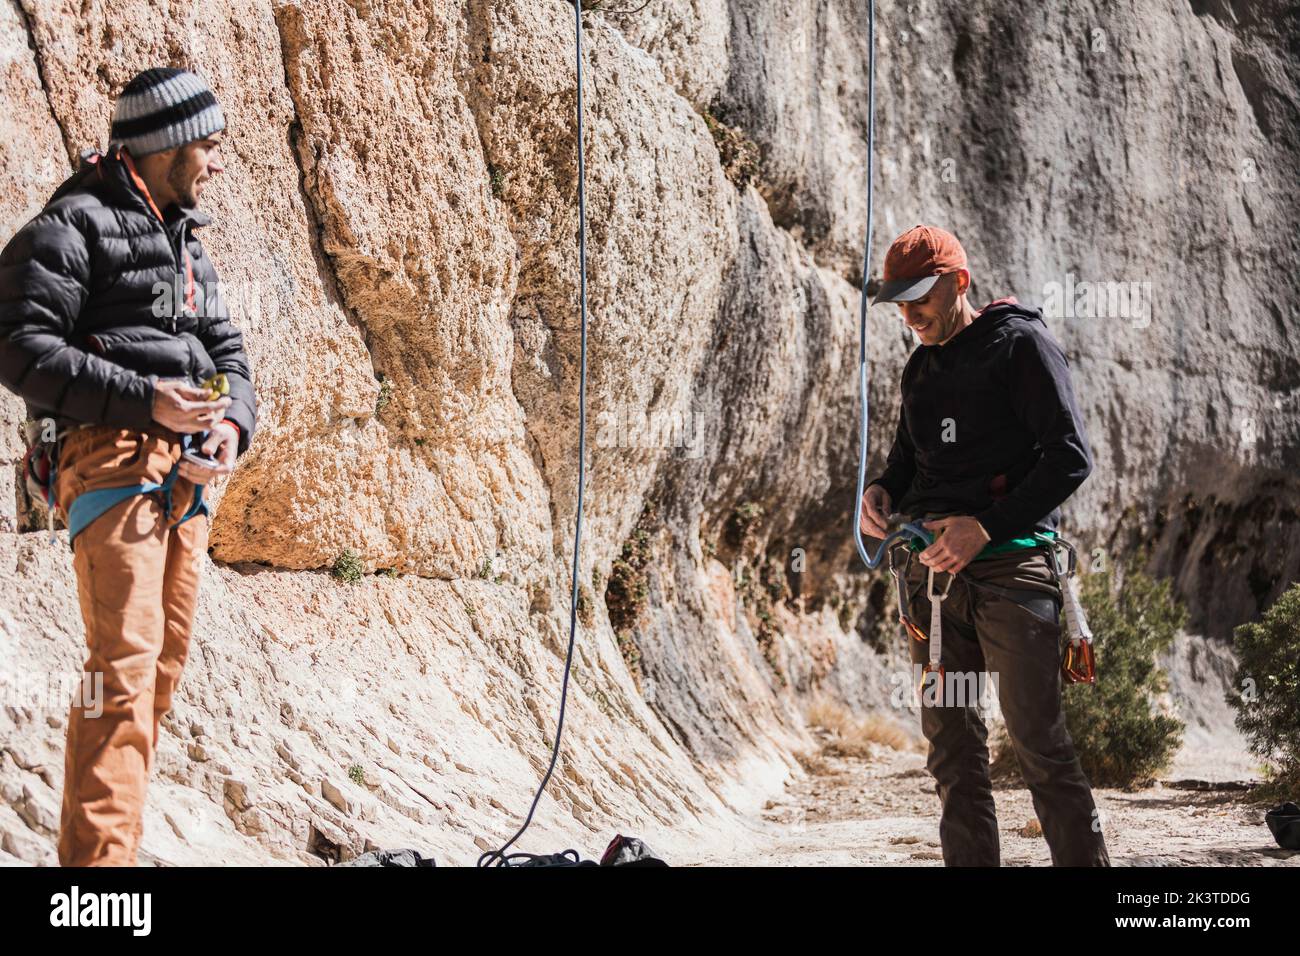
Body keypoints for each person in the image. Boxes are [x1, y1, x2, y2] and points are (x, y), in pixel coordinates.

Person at [0, 67, 257, 866]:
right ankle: (97, 890)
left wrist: (232, 430)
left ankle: (107, 866)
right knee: (122, 672)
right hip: (109, 461)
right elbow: (18, 347)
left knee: (154, 679)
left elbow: (231, 360)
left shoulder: (189, 245)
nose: (217, 162)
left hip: (186, 478)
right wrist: (148, 399)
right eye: (208, 146)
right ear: (167, 144)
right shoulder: (70, 226)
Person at [860, 224, 1109, 866]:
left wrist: (985, 527)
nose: (909, 314)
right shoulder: (922, 367)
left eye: (920, 298)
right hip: (935, 590)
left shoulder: (1019, 345)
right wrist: (883, 495)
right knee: (953, 754)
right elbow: (905, 463)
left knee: (1038, 748)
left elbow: (1070, 458)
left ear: (959, 283)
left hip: (1012, 575)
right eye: (901, 302)